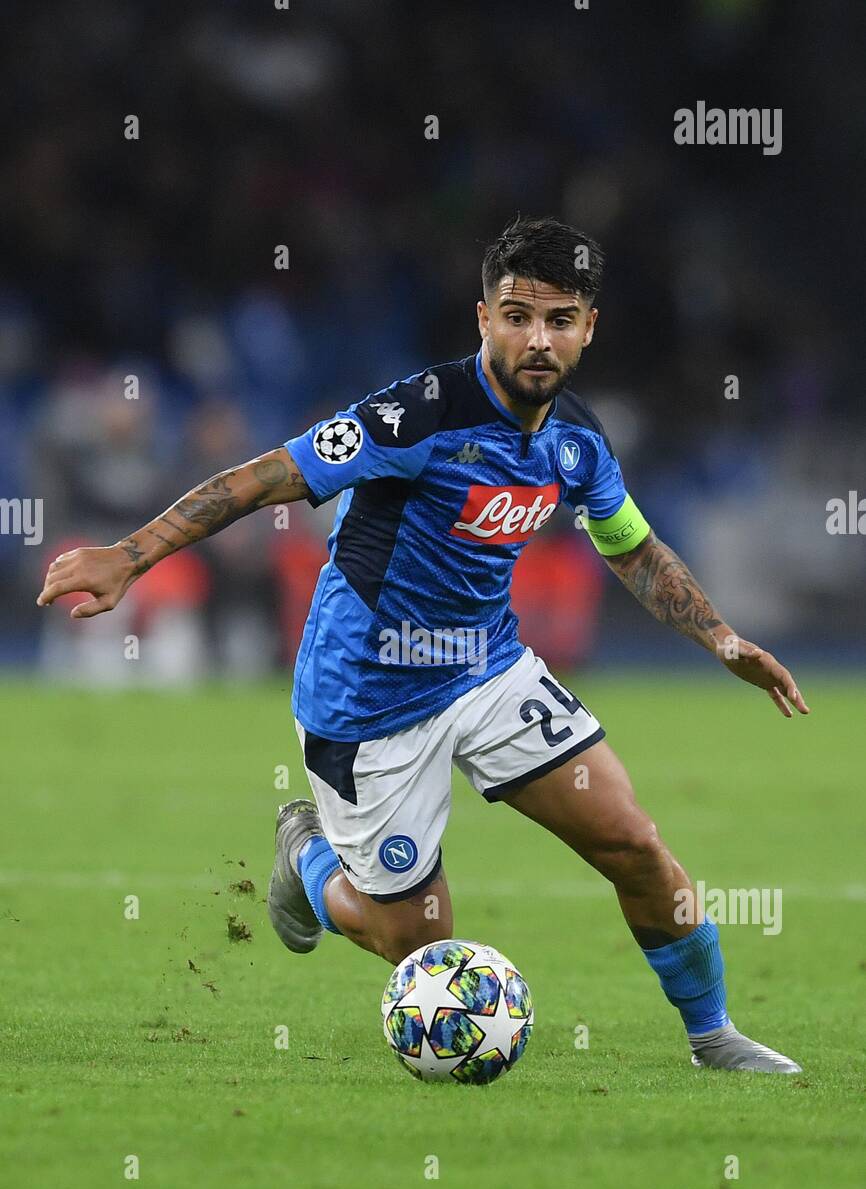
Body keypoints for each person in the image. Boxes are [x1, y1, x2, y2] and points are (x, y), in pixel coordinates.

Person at [37, 215, 810, 1072]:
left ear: (589, 328)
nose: (537, 338)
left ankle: (714, 1037)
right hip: (365, 700)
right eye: (516, 315)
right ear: (484, 320)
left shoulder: (577, 437)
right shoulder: (419, 414)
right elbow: (264, 478)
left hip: (487, 669)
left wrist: (720, 637)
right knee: (413, 935)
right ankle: (311, 863)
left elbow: (627, 542)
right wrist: (129, 555)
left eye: (559, 319)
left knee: (631, 840)